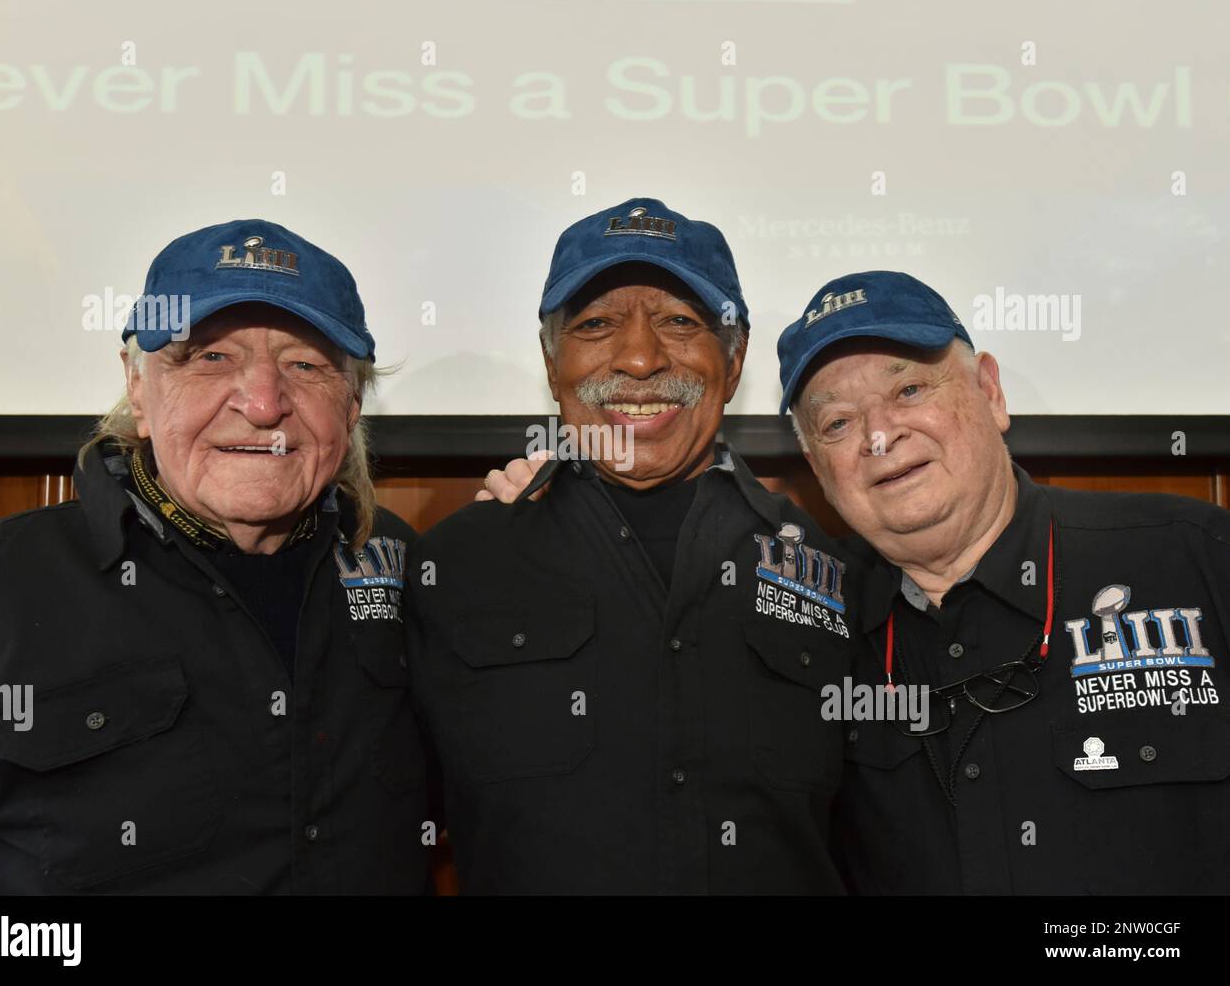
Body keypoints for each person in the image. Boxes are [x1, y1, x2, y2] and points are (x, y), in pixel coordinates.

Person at [0, 219, 435, 893]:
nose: (262, 403)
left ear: (349, 409)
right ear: (138, 387)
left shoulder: (407, 568)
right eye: (210, 357)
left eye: (305, 364)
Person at [407, 199, 855, 893]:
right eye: (595, 324)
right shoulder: (451, 567)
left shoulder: (835, 571)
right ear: (552, 365)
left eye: (680, 321)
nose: (641, 357)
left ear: (732, 361)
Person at [776, 269, 1230, 893]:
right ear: (817, 469)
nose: (880, 435)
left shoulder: (1195, 557)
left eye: (909, 389)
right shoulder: (806, 632)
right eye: (837, 425)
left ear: (989, 391)